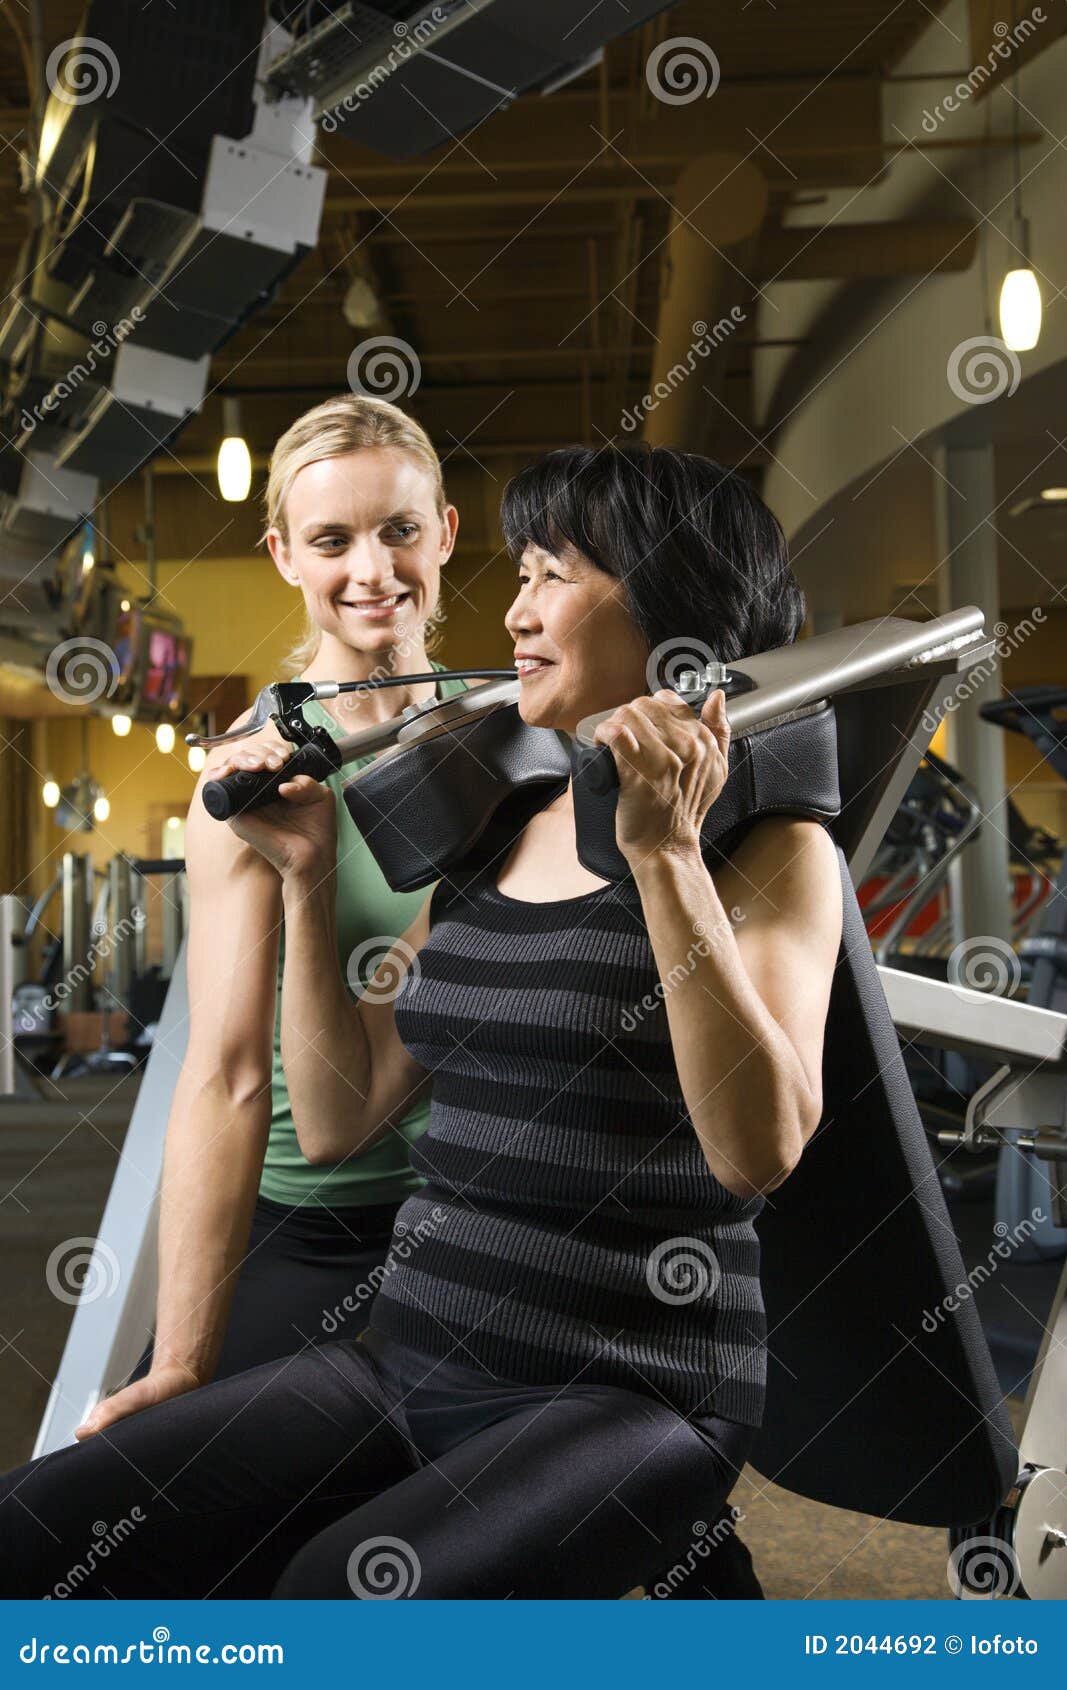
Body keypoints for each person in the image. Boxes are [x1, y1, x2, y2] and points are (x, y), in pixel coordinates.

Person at [0, 444, 842, 1600]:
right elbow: (343, 1114)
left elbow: (759, 1149)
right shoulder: (503, 822)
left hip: (632, 1391)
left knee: (337, 1600)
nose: (515, 610)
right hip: (407, 1357)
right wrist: (303, 879)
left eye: (553, 574)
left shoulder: (772, 848)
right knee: (39, 1522)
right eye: (521, 572)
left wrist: (663, 855)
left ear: (672, 608)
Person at [83, 394, 468, 1440]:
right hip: (308, 1221)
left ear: (444, 532)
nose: (372, 570)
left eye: (398, 530)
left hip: (474, 1208)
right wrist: (182, 1358)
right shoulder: (256, 776)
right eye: (332, 539)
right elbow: (228, 1072)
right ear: (285, 555)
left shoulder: (505, 737)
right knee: (199, 1503)